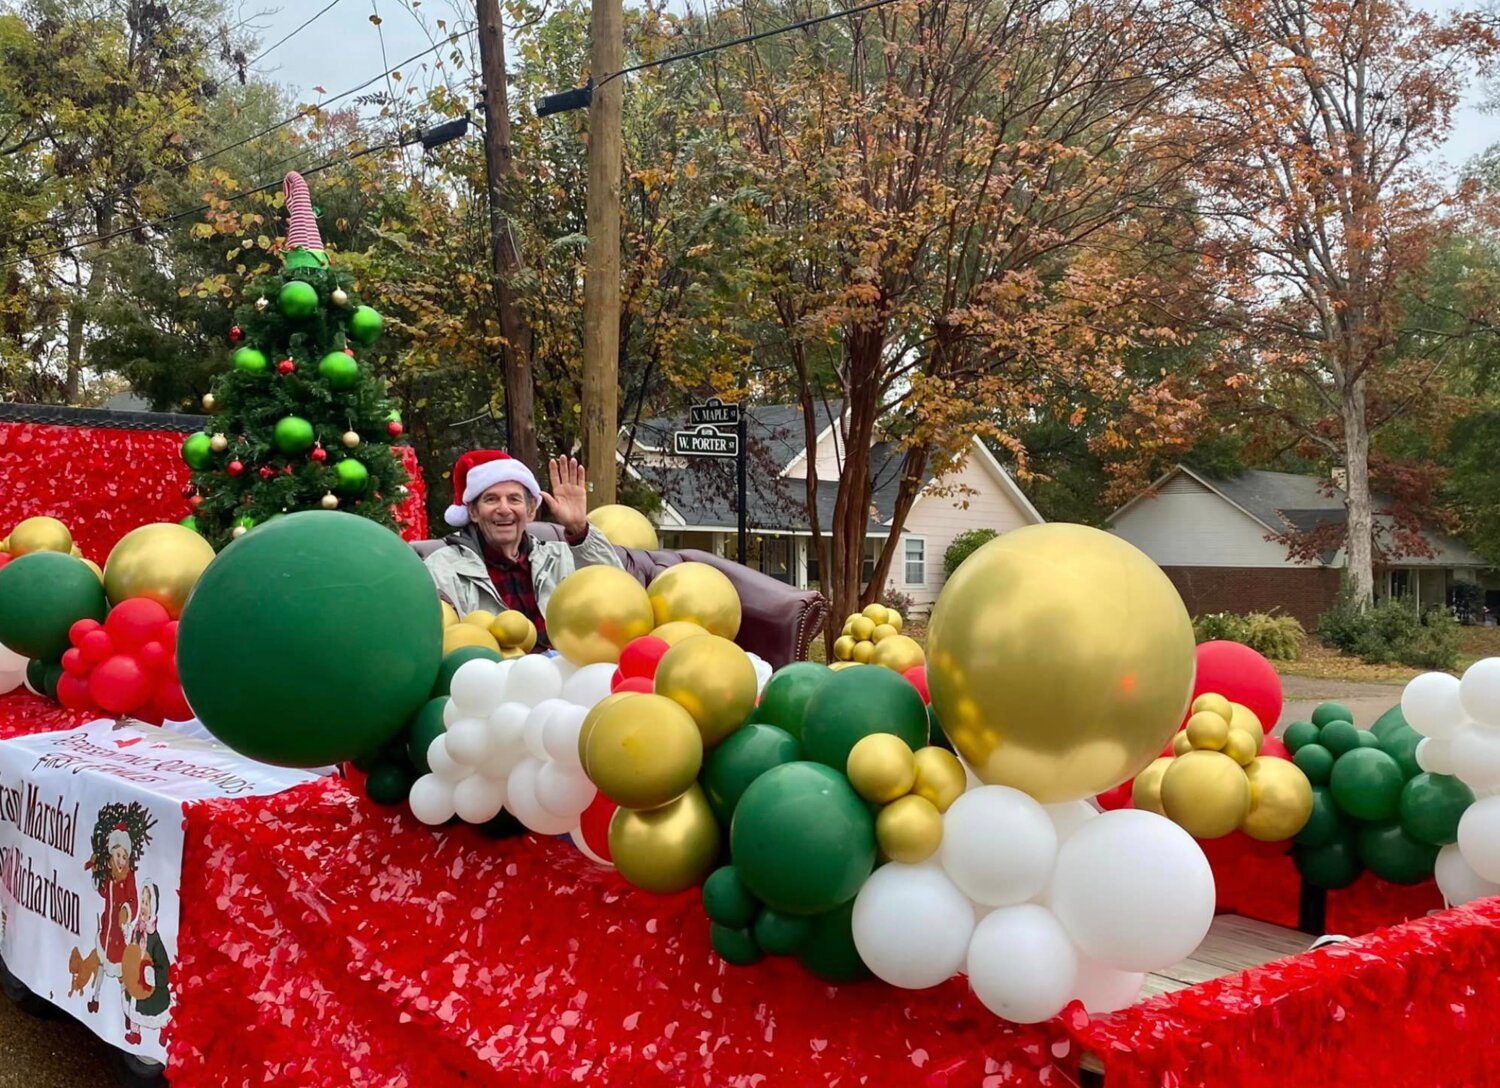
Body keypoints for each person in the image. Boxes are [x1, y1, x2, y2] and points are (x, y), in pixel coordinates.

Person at [423, 450, 623, 651]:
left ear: (531, 509)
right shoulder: (443, 569)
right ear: (474, 512)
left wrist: (578, 528)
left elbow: (617, 596)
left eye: (514, 499)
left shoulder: (562, 558)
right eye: (491, 499)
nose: (504, 509)